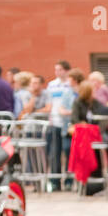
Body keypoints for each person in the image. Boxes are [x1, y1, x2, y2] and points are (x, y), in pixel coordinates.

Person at [43, 61, 76, 190]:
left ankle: (69, 181)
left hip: (68, 124)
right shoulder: (52, 85)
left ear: (67, 71)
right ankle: (55, 182)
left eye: (60, 69)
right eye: (56, 69)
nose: (57, 72)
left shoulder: (71, 85)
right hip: (55, 123)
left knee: (68, 152)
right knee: (54, 154)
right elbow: (50, 103)